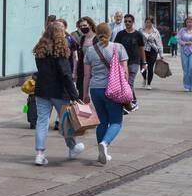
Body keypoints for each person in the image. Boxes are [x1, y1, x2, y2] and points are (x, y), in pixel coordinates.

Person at [32, 22, 84, 166]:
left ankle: (40, 154)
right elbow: (66, 75)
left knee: (42, 122)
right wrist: (75, 95)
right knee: (66, 121)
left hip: (42, 90)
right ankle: (73, 147)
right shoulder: (60, 51)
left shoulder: (40, 50)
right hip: (59, 92)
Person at [82, 22, 128, 164]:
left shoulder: (90, 50)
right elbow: (125, 73)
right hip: (113, 89)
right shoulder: (118, 47)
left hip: (95, 89)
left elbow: (86, 75)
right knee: (116, 122)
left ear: (96, 33)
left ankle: (101, 153)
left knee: (102, 121)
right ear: (110, 33)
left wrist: (85, 94)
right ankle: (105, 143)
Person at [113, 14, 146, 97]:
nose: (127, 23)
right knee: (125, 82)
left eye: (129, 21)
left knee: (129, 82)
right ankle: (133, 99)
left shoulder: (138, 34)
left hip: (134, 62)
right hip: (123, 62)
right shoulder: (120, 34)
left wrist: (144, 62)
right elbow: (115, 47)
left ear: (133, 22)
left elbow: (142, 49)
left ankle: (129, 100)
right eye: (125, 21)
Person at [141, 17, 164, 90]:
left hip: (152, 51)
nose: (148, 24)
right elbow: (138, 40)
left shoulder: (156, 31)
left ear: (152, 23)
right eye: (146, 22)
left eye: (149, 22)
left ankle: (149, 83)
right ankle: (144, 78)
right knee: (142, 67)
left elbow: (159, 42)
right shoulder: (141, 30)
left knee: (150, 67)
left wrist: (161, 54)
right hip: (143, 50)